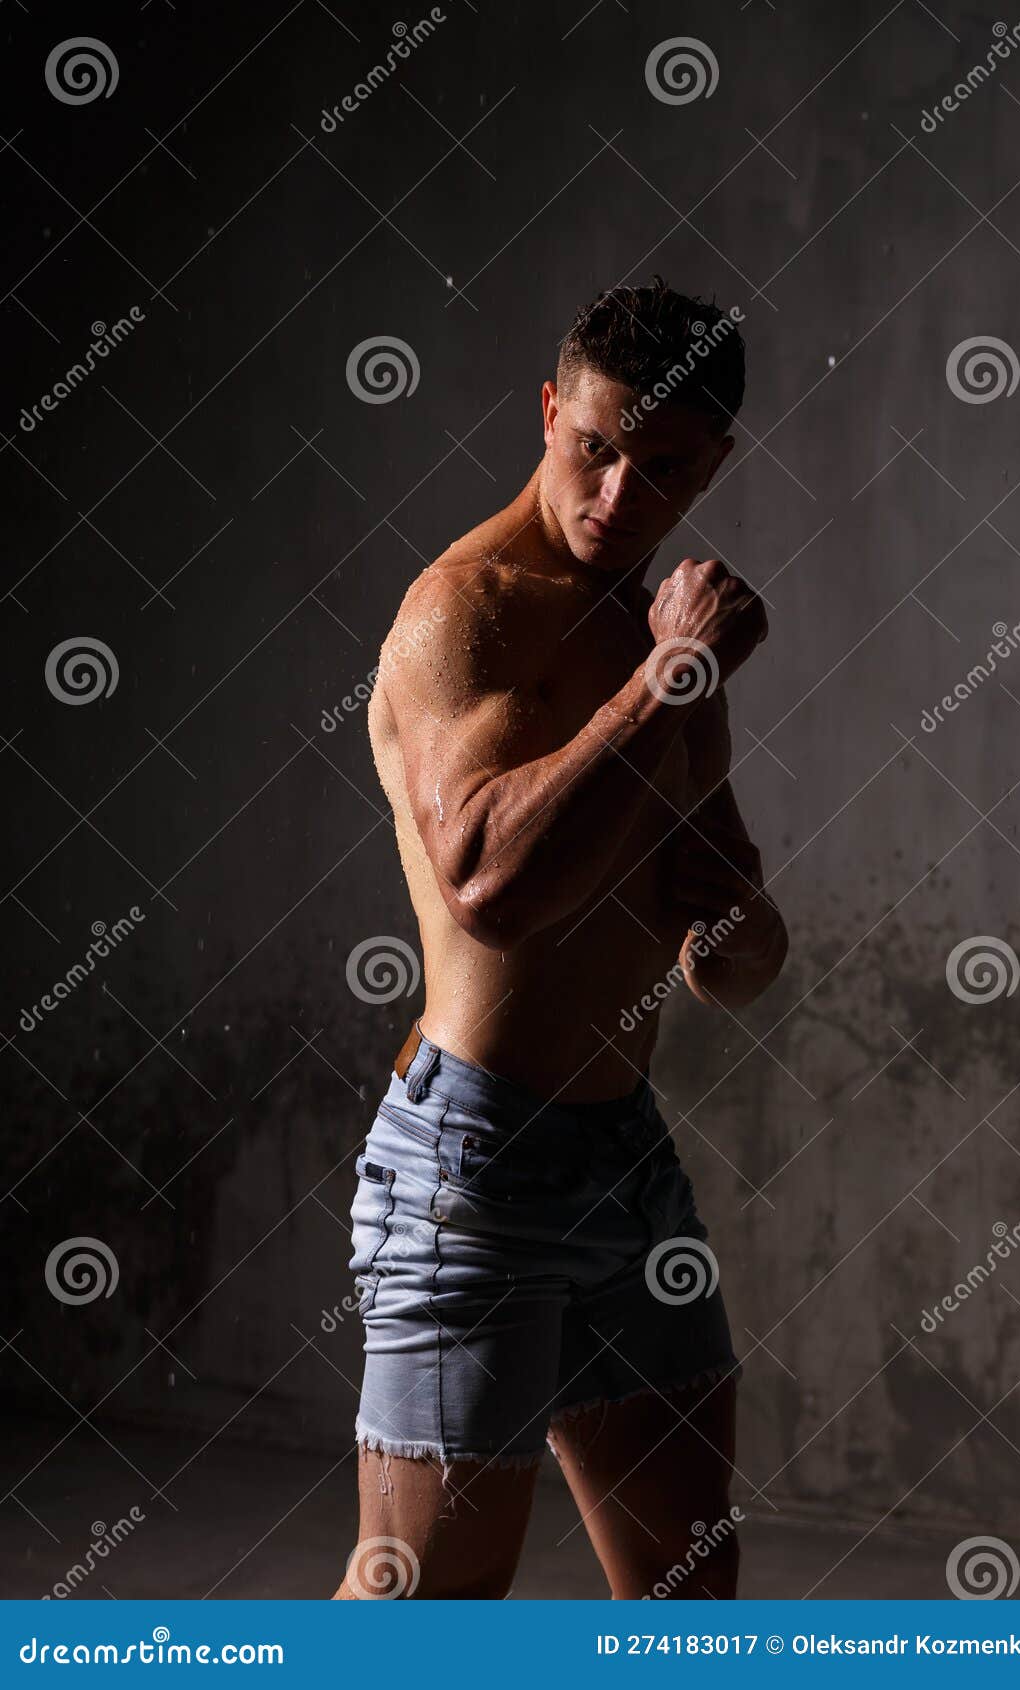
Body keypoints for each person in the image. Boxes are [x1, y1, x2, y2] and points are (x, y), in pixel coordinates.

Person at [334, 274, 788, 1601]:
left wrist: (734, 940)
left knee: (687, 1594)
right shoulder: (462, 609)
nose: (613, 498)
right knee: (423, 1624)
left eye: (658, 471)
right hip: (470, 1169)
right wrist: (665, 681)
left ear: (709, 466)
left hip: (624, 1157)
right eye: (591, 450)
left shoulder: (659, 638)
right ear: (548, 411)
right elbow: (485, 880)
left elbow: (731, 907)